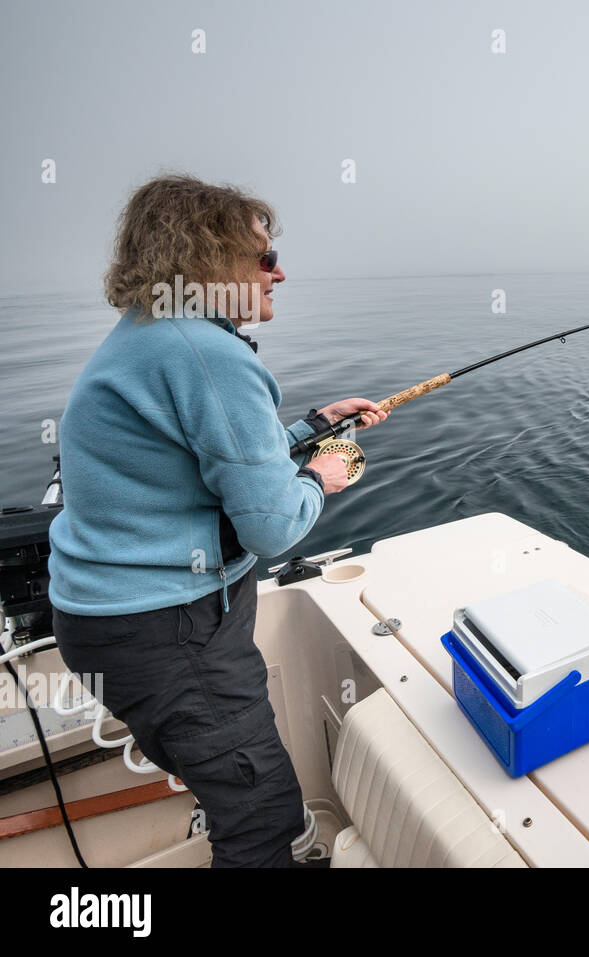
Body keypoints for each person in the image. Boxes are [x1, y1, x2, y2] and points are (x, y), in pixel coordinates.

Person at [47, 174, 387, 867]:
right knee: (260, 815)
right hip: (169, 632)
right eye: (263, 259)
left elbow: (205, 453)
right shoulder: (208, 353)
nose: (280, 273)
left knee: (236, 785)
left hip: (105, 625)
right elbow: (270, 523)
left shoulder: (151, 336)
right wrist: (326, 472)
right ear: (207, 262)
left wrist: (315, 424)